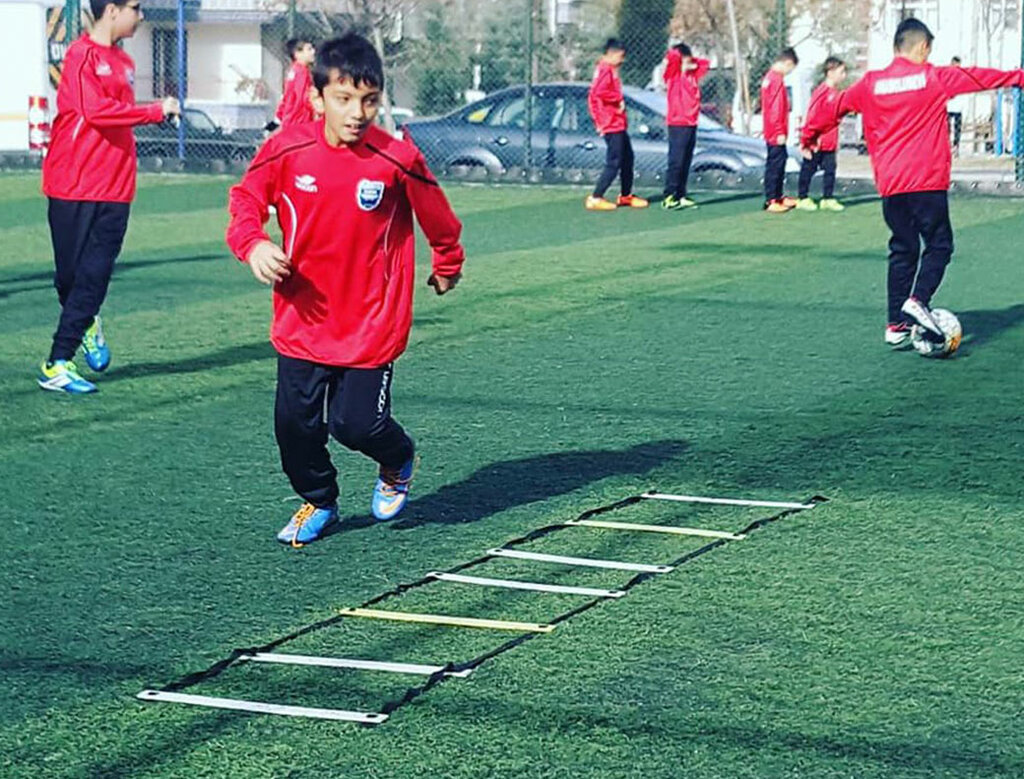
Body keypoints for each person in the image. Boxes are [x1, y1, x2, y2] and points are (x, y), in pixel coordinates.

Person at [226, 34, 466, 546]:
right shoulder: (286, 149)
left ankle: (397, 456)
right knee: (294, 429)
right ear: (316, 99)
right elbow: (246, 200)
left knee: (355, 425)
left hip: (371, 322)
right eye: (343, 99)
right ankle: (320, 500)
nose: (357, 112)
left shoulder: (397, 158)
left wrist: (447, 262)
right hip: (302, 318)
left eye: (369, 100)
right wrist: (253, 245)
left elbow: (438, 217)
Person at [801, 18, 1024, 349]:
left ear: (895, 47)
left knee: (903, 249)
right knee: (939, 245)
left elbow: (830, 109)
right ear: (922, 47)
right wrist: (1019, 78)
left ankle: (895, 324)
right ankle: (918, 300)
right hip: (926, 181)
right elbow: (981, 77)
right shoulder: (933, 77)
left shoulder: (869, 84)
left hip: (891, 185)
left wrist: (809, 136)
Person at [38, 0, 180, 394]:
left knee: (94, 275)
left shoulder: (125, 62)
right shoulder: (80, 56)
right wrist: (154, 111)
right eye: (135, 7)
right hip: (72, 183)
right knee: (69, 278)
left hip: (116, 187)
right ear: (112, 10)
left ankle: (57, 362)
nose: (141, 15)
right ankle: (87, 322)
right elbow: (94, 111)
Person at [585, 39, 649, 211]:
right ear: (611, 54)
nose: (622, 60)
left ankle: (626, 195)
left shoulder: (609, 69)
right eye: (620, 56)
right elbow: (598, 92)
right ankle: (596, 197)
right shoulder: (605, 70)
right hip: (610, 123)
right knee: (615, 161)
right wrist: (617, 100)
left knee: (628, 157)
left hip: (617, 122)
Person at [661, 42, 710, 210]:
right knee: (676, 159)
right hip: (677, 123)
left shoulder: (692, 76)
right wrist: (679, 58)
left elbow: (705, 64)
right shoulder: (673, 76)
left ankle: (681, 194)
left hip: (691, 122)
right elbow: (672, 58)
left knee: (686, 159)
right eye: (686, 60)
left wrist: (691, 62)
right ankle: (669, 195)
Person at [795, 57, 847, 212]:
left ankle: (827, 198)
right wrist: (807, 140)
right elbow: (815, 118)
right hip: (816, 141)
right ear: (830, 72)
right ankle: (802, 197)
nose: (843, 76)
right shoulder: (823, 92)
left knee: (830, 168)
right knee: (809, 168)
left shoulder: (834, 93)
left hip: (829, 141)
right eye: (841, 72)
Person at [760, 47, 799, 213]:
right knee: (775, 163)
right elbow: (775, 107)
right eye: (790, 69)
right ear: (787, 63)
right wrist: (779, 131)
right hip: (775, 131)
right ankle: (771, 199)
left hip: (772, 129)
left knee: (779, 160)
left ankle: (778, 195)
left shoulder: (770, 78)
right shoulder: (775, 80)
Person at [265, 38, 317, 132]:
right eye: (309, 49)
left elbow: (286, 97)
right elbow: (305, 98)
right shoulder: (302, 72)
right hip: (300, 124)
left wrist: (278, 118)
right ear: (297, 54)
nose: (313, 51)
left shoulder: (293, 71)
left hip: (290, 122)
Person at [947, 56, 964, 156]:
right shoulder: (948, 74)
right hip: (949, 106)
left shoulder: (961, 75)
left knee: (957, 128)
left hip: (958, 107)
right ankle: (948, 146)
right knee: (947, 129)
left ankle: (956, 146)